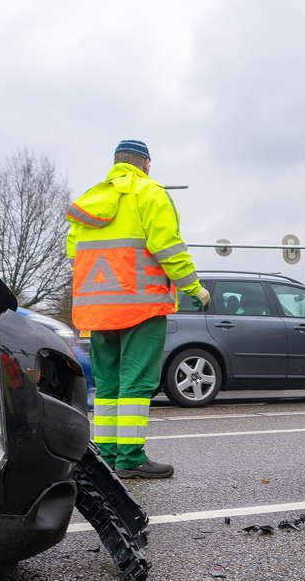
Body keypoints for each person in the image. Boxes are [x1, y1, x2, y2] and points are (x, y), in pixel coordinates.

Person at [65, 139, 210, 478]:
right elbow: (168, 248)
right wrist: (194, 288)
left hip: (97, 309)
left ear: (116, 163)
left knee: (108, 383)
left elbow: (74, 255)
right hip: (140, 307)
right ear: (146, 164)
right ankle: (130, 459)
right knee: (135, 382)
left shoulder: (88, 202)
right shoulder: (150, 193)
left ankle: (106, 455)